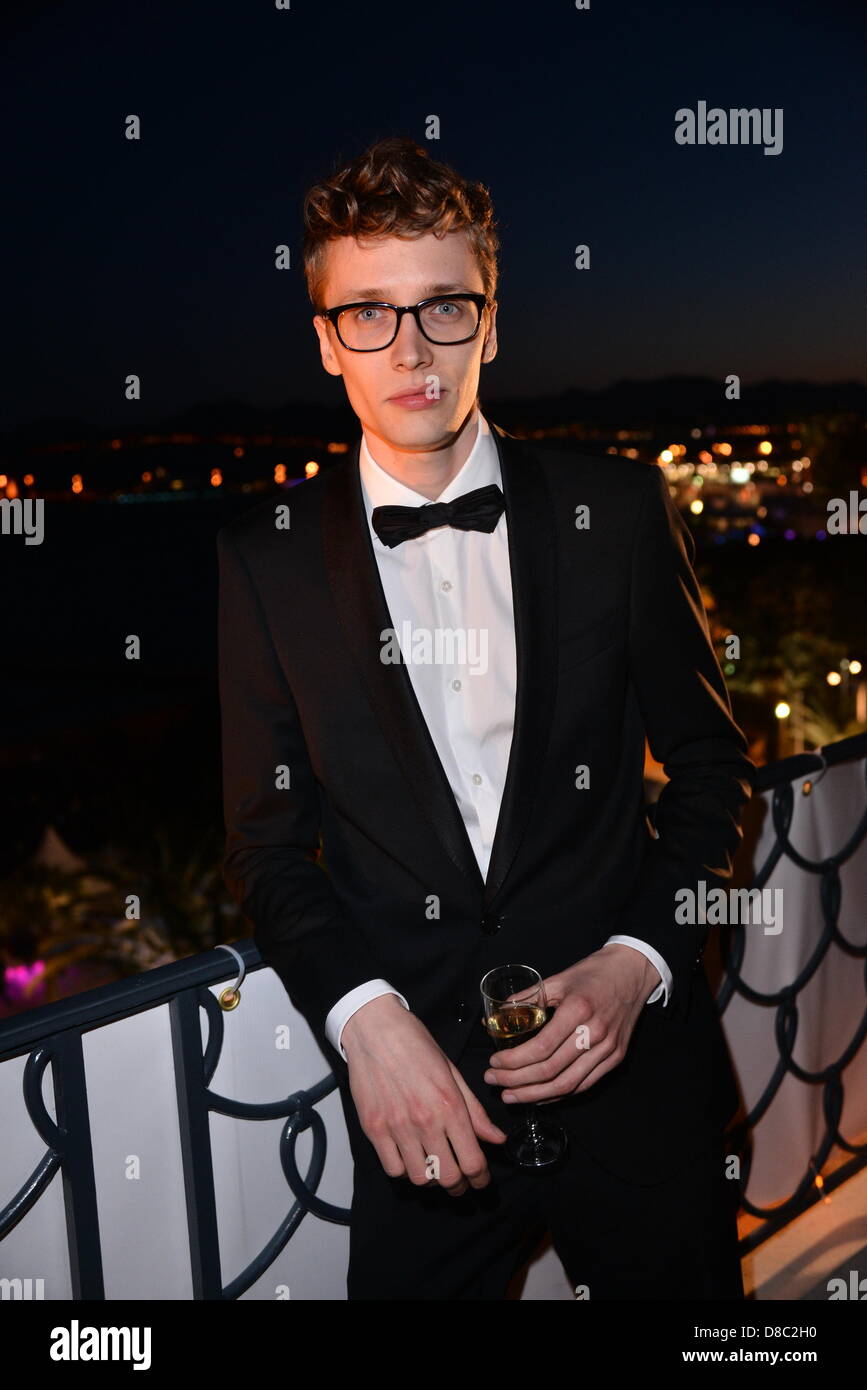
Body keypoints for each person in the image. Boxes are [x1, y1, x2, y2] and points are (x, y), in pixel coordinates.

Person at [217, 135, 754, 1300]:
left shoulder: (615, 511)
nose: (411, 350)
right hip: (424, 1115)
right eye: (369, 314)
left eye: (444, 308)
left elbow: (716, 772)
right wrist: (365, 1021)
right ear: (325, 340)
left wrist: (639, 961)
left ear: (492, 323)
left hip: (641, 1095)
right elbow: (265, 845)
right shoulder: (262, 562)